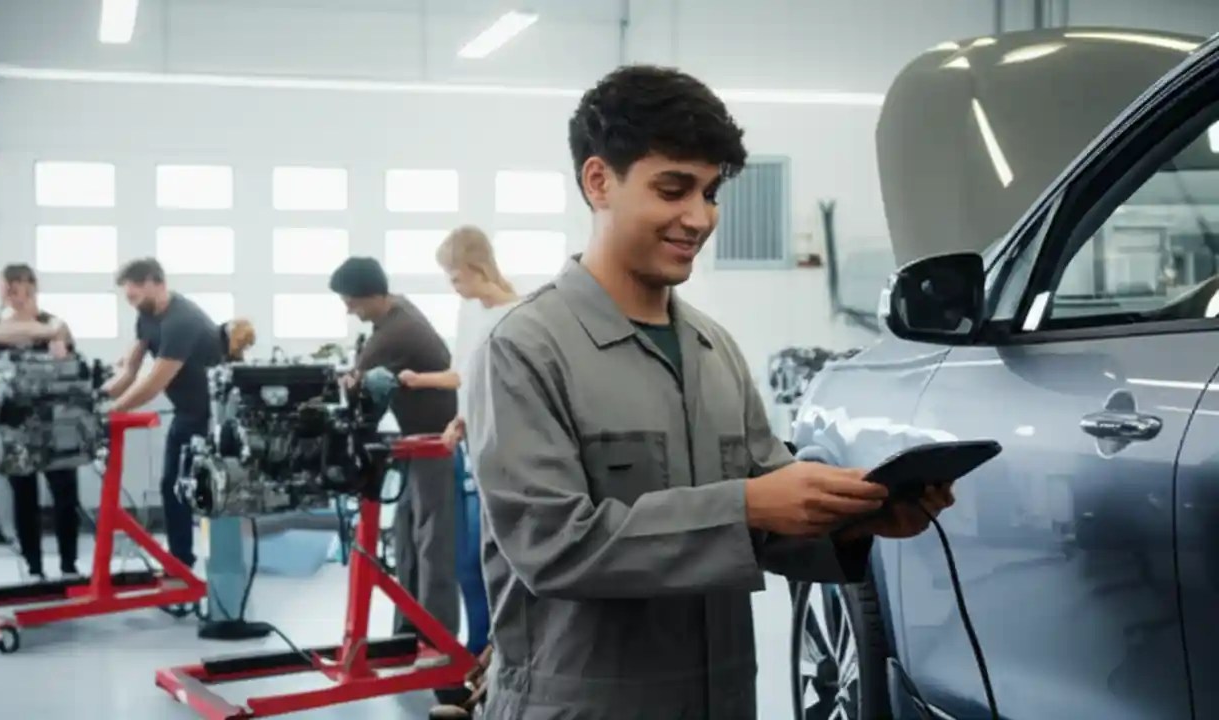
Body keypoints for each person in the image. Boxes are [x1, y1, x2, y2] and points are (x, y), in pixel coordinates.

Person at [463, 65, 957, 719]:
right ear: (598, 181)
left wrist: (853, 521)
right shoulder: (524, 349)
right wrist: (748, 504)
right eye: (673, 189)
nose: (698, 217)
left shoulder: (714, 349)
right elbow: (553, 546)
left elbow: (767, 518)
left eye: (711, 192)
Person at [329, 256, 464, 703]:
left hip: (434, 444)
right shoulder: (395, 314)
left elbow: (354, 381)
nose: (349, 310)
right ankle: (409, 632)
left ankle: (440, 642)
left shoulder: (396, 330)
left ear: (371, 294)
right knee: (406, 536)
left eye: (351, 301)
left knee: (432, 541)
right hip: (413, 442)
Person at [399, 226, 518, 691]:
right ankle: (476, 647)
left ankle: (499, 652)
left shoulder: (517, 314)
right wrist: (454, 415)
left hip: (505, 456)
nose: (454, 287)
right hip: (472, 452)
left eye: (454, 277)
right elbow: (464, 377)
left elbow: (501, 386)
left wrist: (467, 412)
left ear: (476, 267)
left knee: (499, 561)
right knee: (468, 559)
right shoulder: (471, 312)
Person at [104, 258, 224, 572]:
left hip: (213, 416)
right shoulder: (146, 317)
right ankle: (180, 561)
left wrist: (114, 411)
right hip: (188, 412)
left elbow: (156, 380)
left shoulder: (182, 319)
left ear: (157, 283)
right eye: (127, 298)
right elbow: (130, 370)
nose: (132, 304)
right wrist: (97, 399)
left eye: (135, 296)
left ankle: (199, 560)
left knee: (203, 488)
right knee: (172, 485)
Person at [0, 263, 81, 583]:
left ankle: (69, 566)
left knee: (65, 495)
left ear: (33, 290)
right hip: (13, 425)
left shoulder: (54, 324)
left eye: (24, 290)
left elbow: (69, 364)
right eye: (11, 290)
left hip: (56, 422)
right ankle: (34, 568)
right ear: (3, 291)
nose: (18, 297)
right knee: (24, 498)